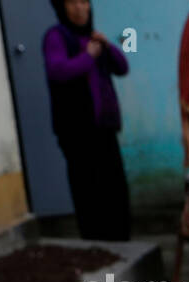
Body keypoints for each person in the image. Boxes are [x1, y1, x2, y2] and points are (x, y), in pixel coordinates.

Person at [43, 0, 131, 241]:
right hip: (76, 131)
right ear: (63, 8)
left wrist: (107, 46)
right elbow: (57, 70)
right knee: (88, 187)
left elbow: (122, 68)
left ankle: (121, 237)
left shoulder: (94, 39)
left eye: (84, 2)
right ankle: (95, 240)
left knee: (114, 185)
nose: (80, 9)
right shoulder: (56, 37)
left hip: (104, 127)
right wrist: (88, 57)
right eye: (72, 3)